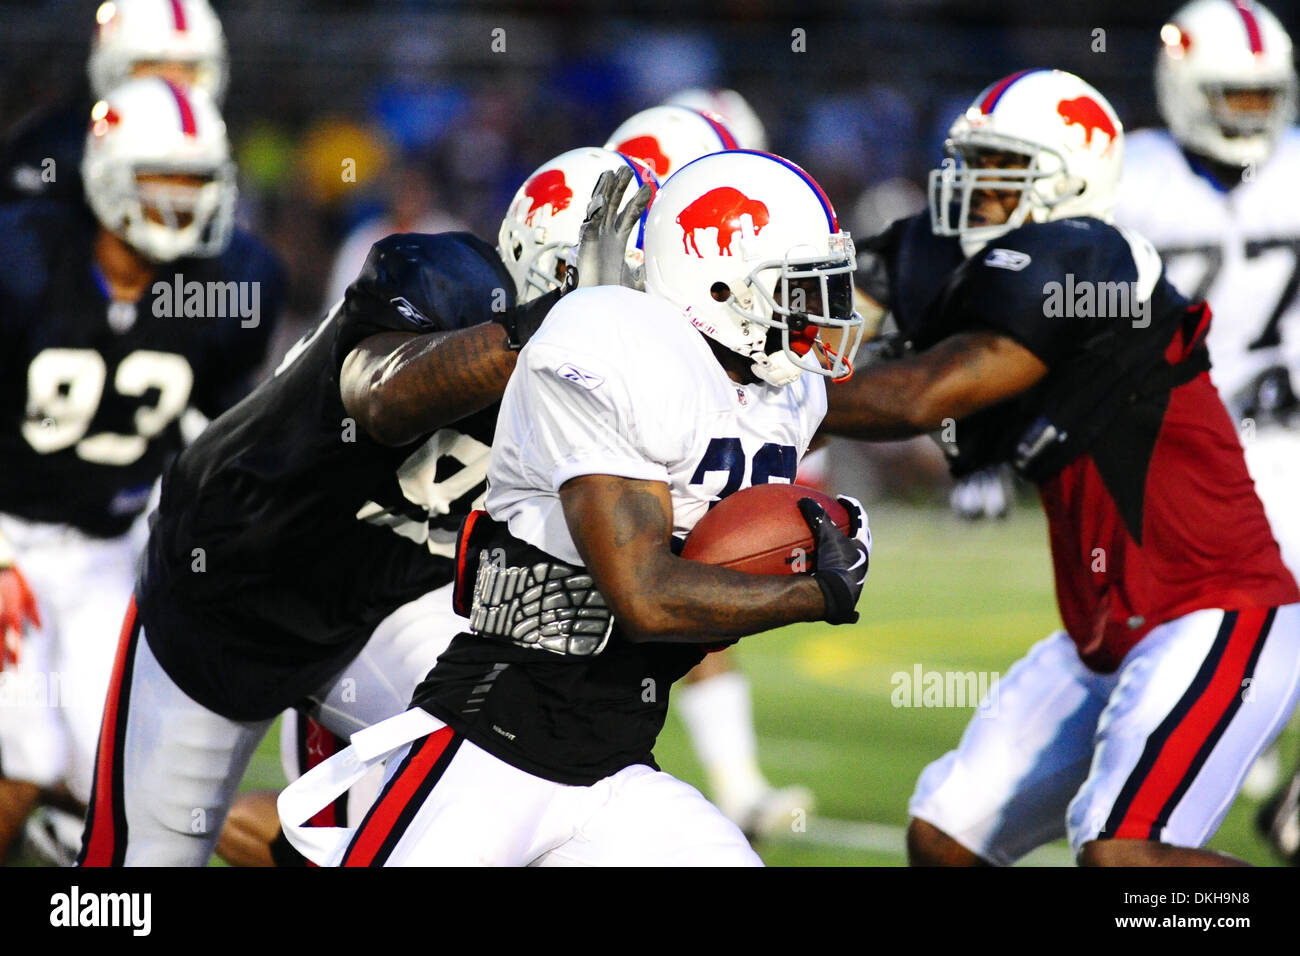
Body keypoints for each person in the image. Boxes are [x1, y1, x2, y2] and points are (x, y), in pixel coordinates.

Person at [279, 149, 872, 867]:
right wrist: (813, 590)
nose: (819, 311)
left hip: (615, 766)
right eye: (797, 288)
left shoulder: (785, 396)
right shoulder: (613, 341)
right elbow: (645, 597)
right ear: (718, 284)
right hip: (491, 746)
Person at [78, 147, 655, 866]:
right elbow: (381, 396)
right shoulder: (447, 281)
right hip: (230, 585)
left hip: (388, 599)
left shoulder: (636, 369)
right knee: (135, 874)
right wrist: (547, 330)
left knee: (507, 762)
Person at [821, 68, 1300, 866]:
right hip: (1101, 633)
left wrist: (782, 395)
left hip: (1215, 611)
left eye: (999, 170)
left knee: (1125, 857)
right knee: (946, 836)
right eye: (971, 164)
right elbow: (841, 298)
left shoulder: (1087, 261)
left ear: (1064, 179)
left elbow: (920, 396)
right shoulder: (966, 252)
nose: (972, 188)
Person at [0, 75, 282, 863]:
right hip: (8, 536)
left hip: (104, 550)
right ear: (107, 174)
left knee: (120, 780)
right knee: (23, 751)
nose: (183, 198)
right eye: (165, 176)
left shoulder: (228, 290)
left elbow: (206, 446)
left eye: (197, 180)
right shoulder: (22, 263)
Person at [1111, 0, 1300, 856]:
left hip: (1287, 439)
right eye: (1234, 96)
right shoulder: (1125, 175)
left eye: (1264, 98)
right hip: (1181, 456)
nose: (1251, 115)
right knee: (1186, 653)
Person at [2, 0, 229, 204]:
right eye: (153, 66)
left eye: (188, 69)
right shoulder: (51, 153)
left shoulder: (214, 150)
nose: (173, 83)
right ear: (111, 71)